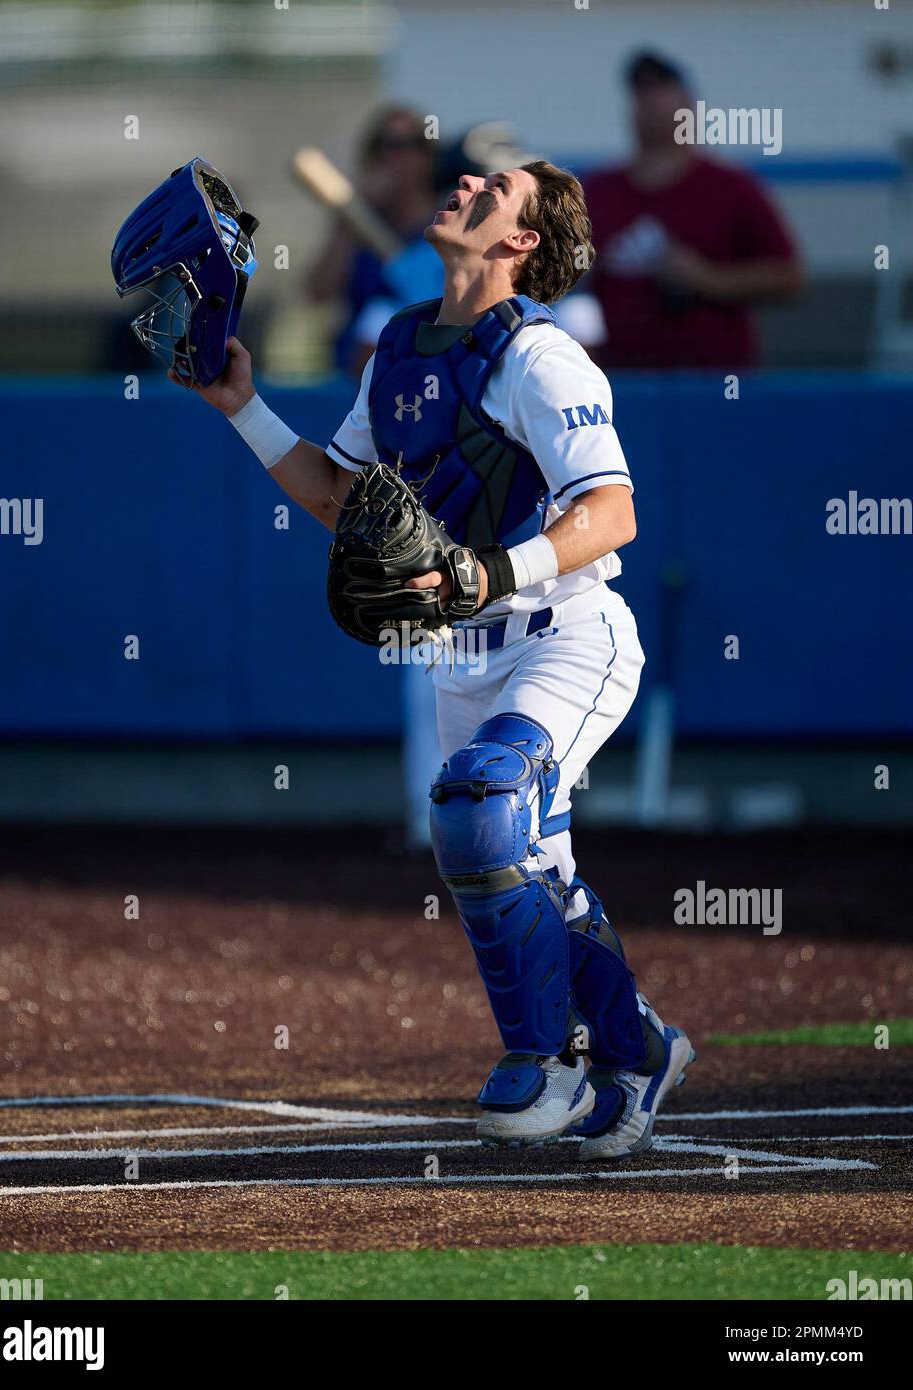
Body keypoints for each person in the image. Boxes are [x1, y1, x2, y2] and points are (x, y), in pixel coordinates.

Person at [177, 160, 694, 1155]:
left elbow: (613, 510)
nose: (465, 178)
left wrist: (484, 572)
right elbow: (340, 497)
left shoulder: (543, 358)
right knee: (520, 862)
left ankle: (546, 1070)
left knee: (482, 804)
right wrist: (240, 403)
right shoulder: (401, 346)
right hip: (462, 650)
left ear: (522, 243)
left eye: (494, 186)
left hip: (567, 634)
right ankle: (638, 1050)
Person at [582, 51, 803, 369]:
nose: (653, 107)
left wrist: (708, 279)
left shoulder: (731, 187)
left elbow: (790, 277)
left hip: (715, 382)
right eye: (643, 96)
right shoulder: (599, 191)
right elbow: (568, 284)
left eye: (663, 93)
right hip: (620, 384)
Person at [305, 105, 440, 374]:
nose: (392, 156)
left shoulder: (448, 222)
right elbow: (317, 293)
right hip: (355, 376)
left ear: (427, 155)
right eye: (382, 145)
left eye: (406, 144)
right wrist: (351, 218)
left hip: (423, 371)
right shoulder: (357, 225)